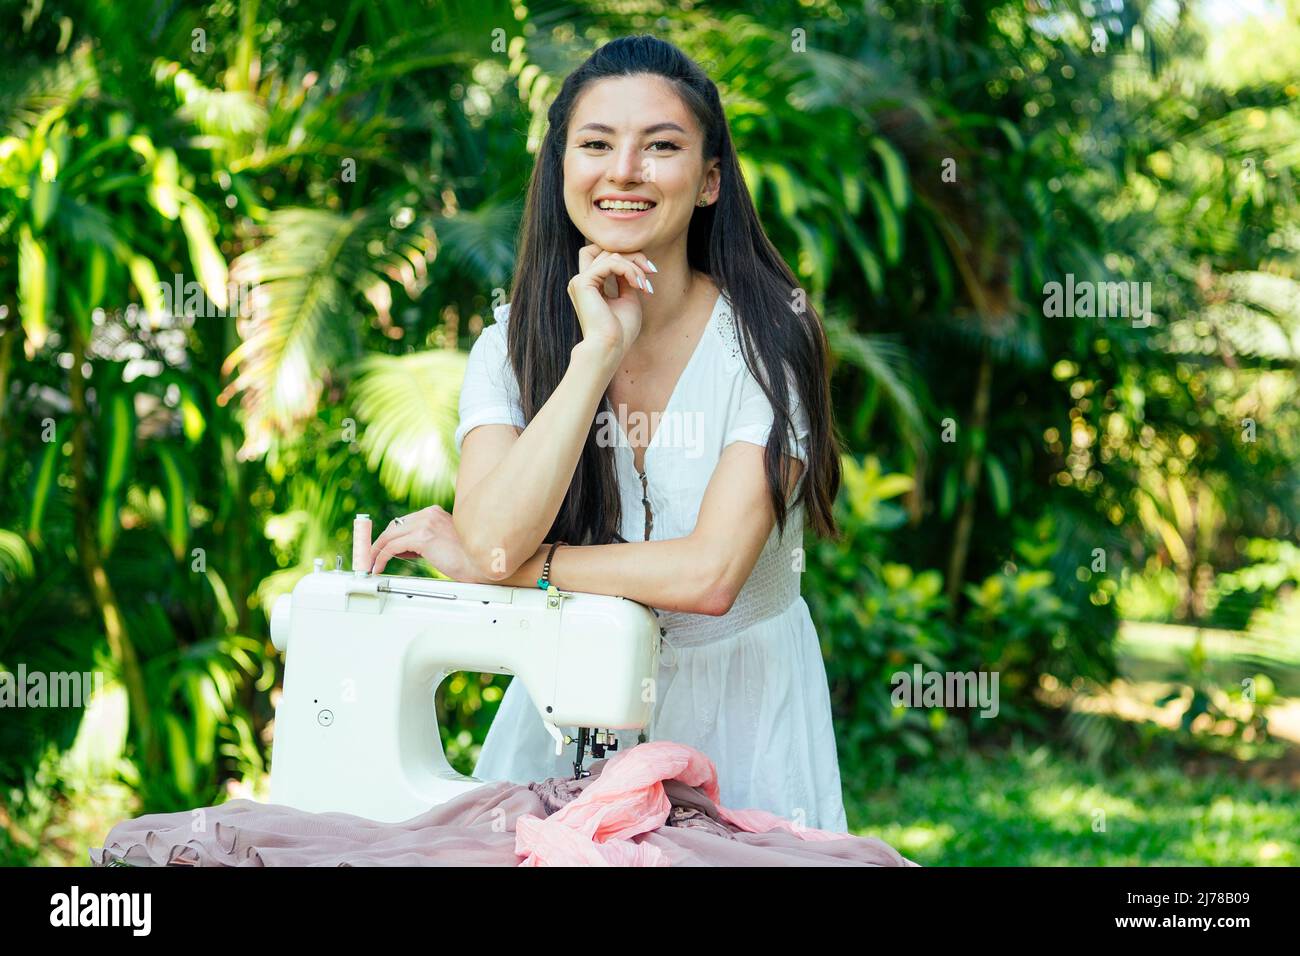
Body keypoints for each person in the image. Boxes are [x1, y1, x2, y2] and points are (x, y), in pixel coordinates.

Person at [368, 35, 847, 832]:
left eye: (661, 146)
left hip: (746, 720)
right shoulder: (511, 346)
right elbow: (491, 543)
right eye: (595, 144)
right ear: (562, 169)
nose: (623, 170)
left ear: (709, 182)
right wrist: (594, 358)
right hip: (567, 716)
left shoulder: (770, 341)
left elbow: (710, 577)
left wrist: (523, 570)